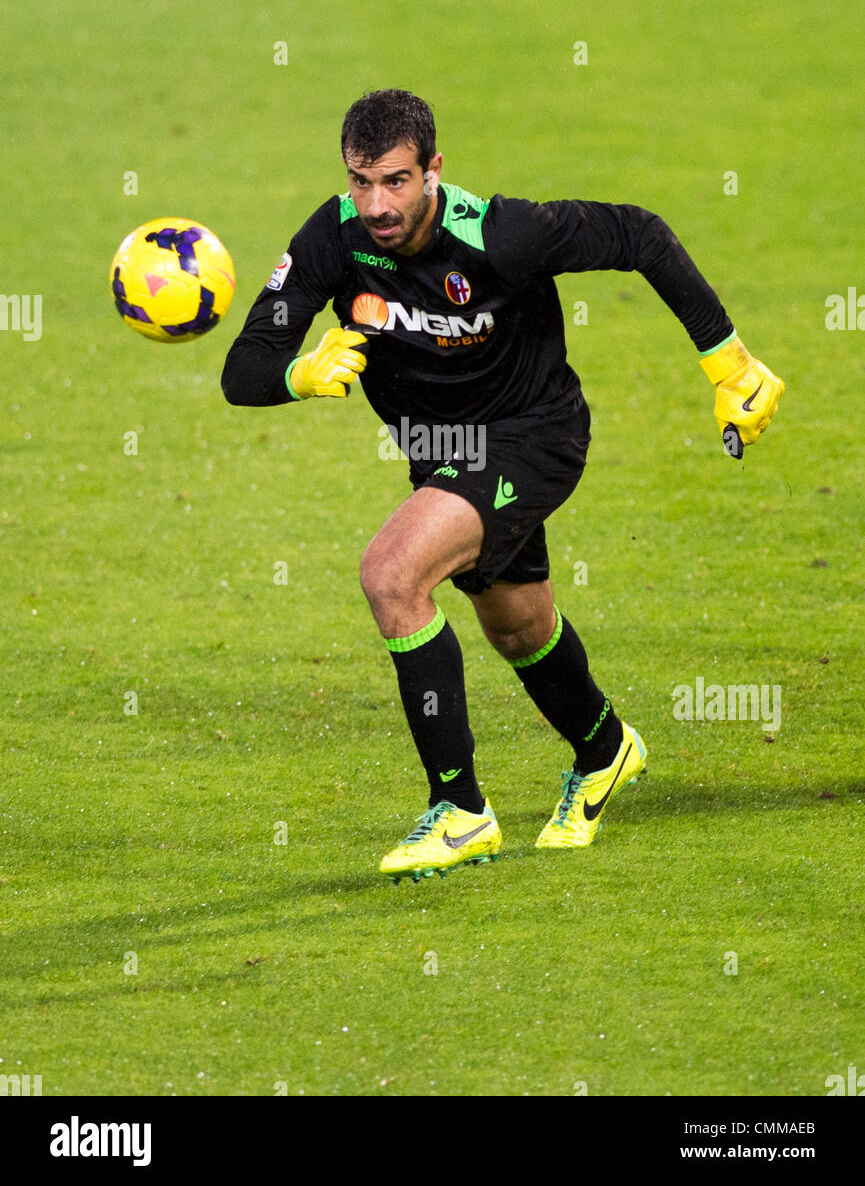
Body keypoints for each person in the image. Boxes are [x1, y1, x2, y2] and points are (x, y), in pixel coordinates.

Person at [221, 88, 784, 884]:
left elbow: (639, 234)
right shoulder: (334, 238)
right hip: (439, 453)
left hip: (533, 438)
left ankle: (459, 811)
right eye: (360, 181)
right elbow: (241, 368)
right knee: (516, 624)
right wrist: (297, 372)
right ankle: (604, 750)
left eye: (394, 180)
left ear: (433, 170)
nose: (375, 204)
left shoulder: (498, 235)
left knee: (391, 573)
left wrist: (727, 364)